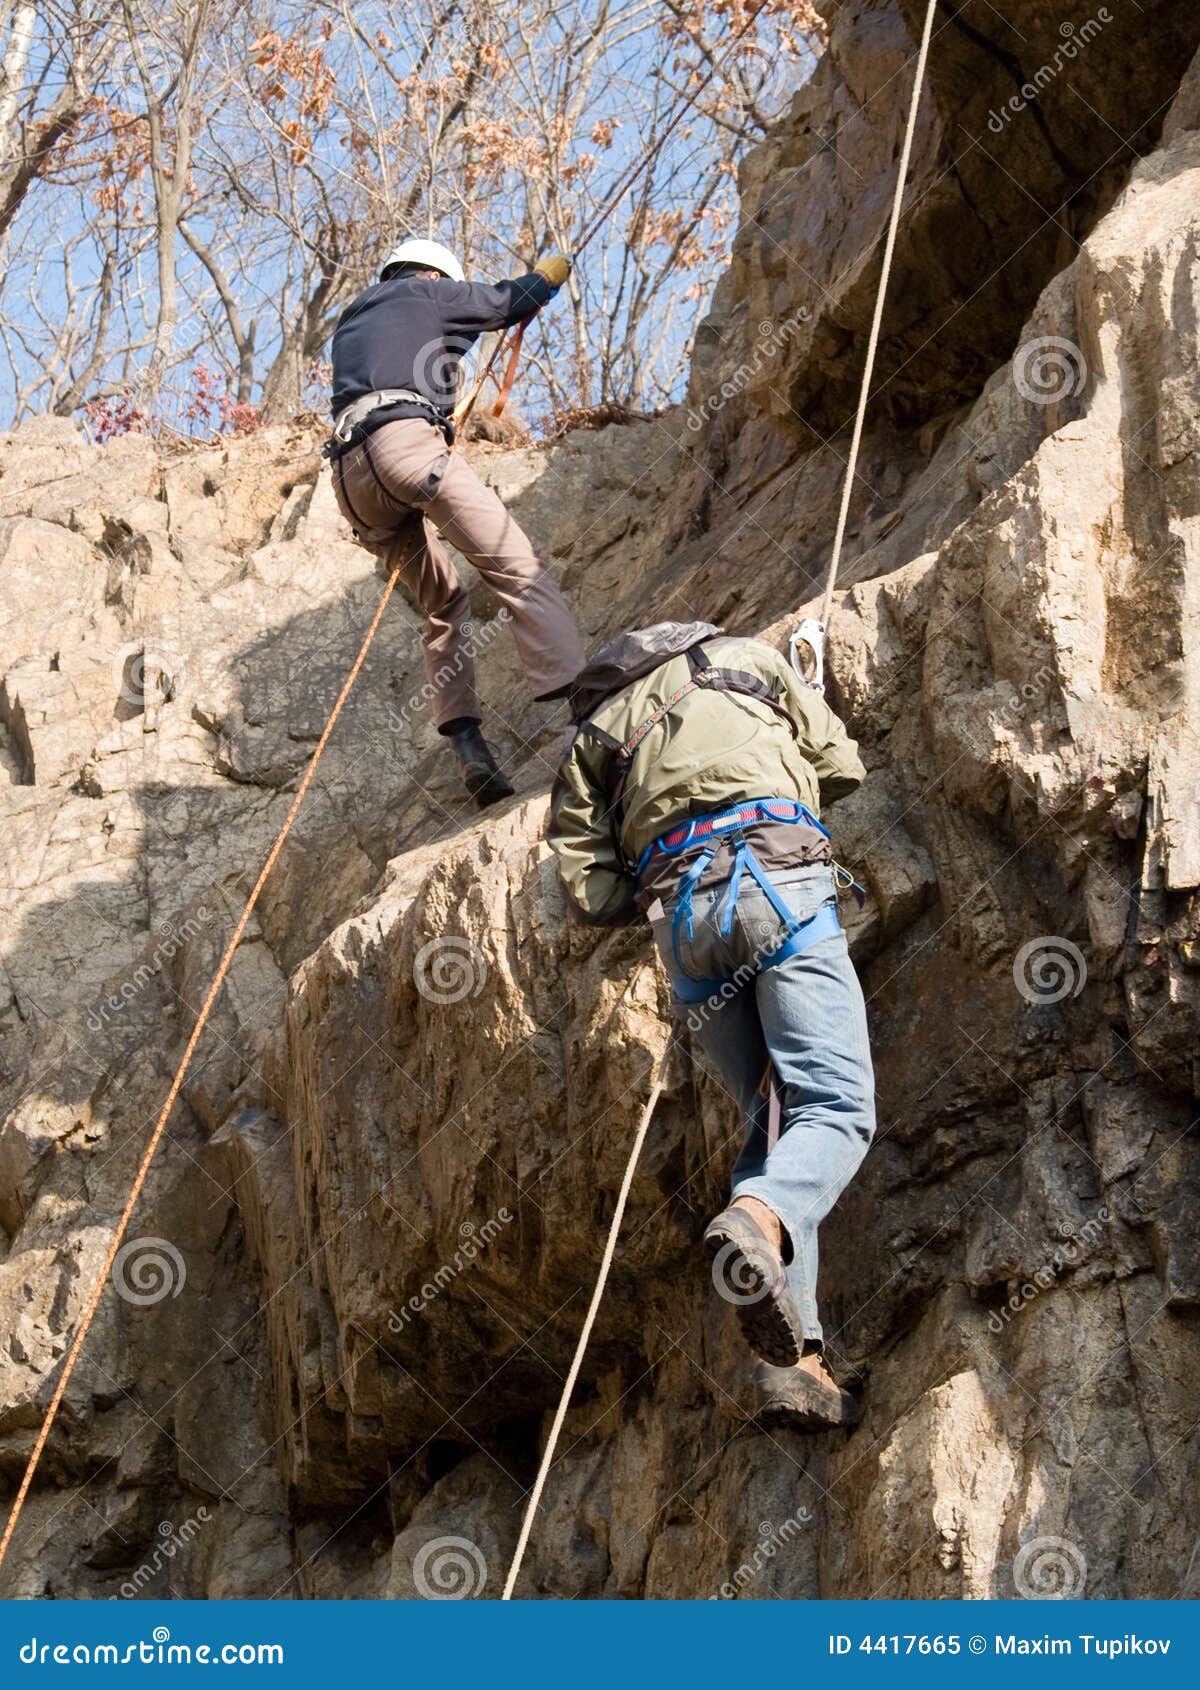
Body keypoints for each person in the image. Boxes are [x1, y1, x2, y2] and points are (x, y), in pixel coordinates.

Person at [547, 621, 875, 1428]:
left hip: (685, 926)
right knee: (834, 1106)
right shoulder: (751, 661)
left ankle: (794, 1366)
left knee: (771, 1122)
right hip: (779, 878)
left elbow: (587, 892)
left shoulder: (596, 736)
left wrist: (660, 872)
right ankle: (760, 1221)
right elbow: (844, 766)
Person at [327, 237, 587, 807]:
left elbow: (431, 345)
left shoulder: (355, 319)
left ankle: (470, 749)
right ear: (432, 277)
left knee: (443, 605)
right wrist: (546, 278)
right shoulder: (427, 291)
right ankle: (589, 720)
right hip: (406, 450)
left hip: (352, 480)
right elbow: (505, 302)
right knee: (518, 567)